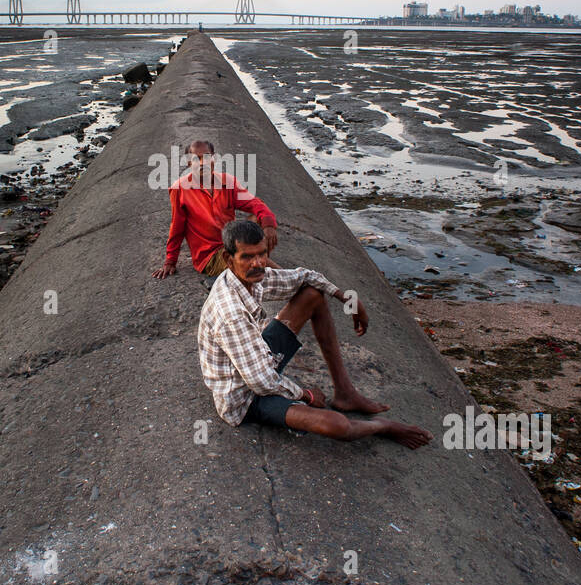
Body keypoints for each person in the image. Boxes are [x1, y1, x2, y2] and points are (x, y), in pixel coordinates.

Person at [196, 220, 432, 449]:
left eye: (262, 254)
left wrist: (348, 298)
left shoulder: (250, 277)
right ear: (229, 259)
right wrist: (306, 395)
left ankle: (345, 392)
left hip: (257, 359)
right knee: (336, 426)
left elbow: (306, 277)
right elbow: (262, 383)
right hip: (246, 397)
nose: (258, 263)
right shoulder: (231, 314)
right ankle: (382, 426)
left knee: (312, 295)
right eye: (247, 257)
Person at [152, 140, 278, 279]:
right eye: (195, 159)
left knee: (259, 217)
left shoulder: (228, 181)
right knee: (245, 261)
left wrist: (269, 226)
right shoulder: (180, 188)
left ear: (214, 159)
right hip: (210, 254)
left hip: (232, 240)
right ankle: (288, 277)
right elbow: (177, 226)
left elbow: (255, 203)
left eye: (206, 157)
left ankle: (262, 260)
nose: (202, 163)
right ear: (188, 163)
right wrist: (170, 261)